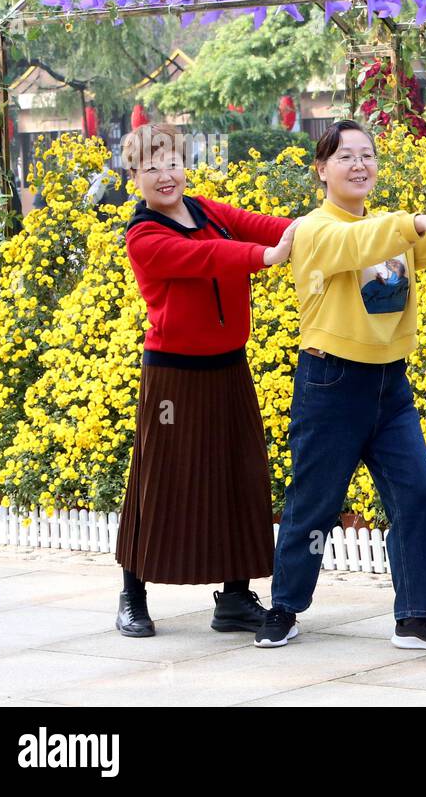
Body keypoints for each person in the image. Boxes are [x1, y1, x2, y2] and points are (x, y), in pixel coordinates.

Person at [257, 120, 426, 649]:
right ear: (321, 169)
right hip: (332, 382)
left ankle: (415, 614)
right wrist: (416, 220)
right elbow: (360, 240)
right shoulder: (314, 230)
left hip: (392, 386)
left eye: (367, 155)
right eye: (345, 157)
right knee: (315, 502)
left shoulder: (390, 232)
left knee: (414, 495)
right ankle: (285, 606)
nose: (360, 165)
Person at [116, 122, 299, 637]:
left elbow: (256, 223)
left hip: (228, 365)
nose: (164, 174)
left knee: (239, 476)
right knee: (159, 481)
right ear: (134, 176)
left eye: (170, 161)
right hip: (174, 376)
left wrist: (309, 231)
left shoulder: (206, 210)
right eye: (150, 166)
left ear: (184, 162)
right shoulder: (144, 235)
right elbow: (206, 258)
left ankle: (236, 598)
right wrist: (266, 257)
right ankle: (132, 595)